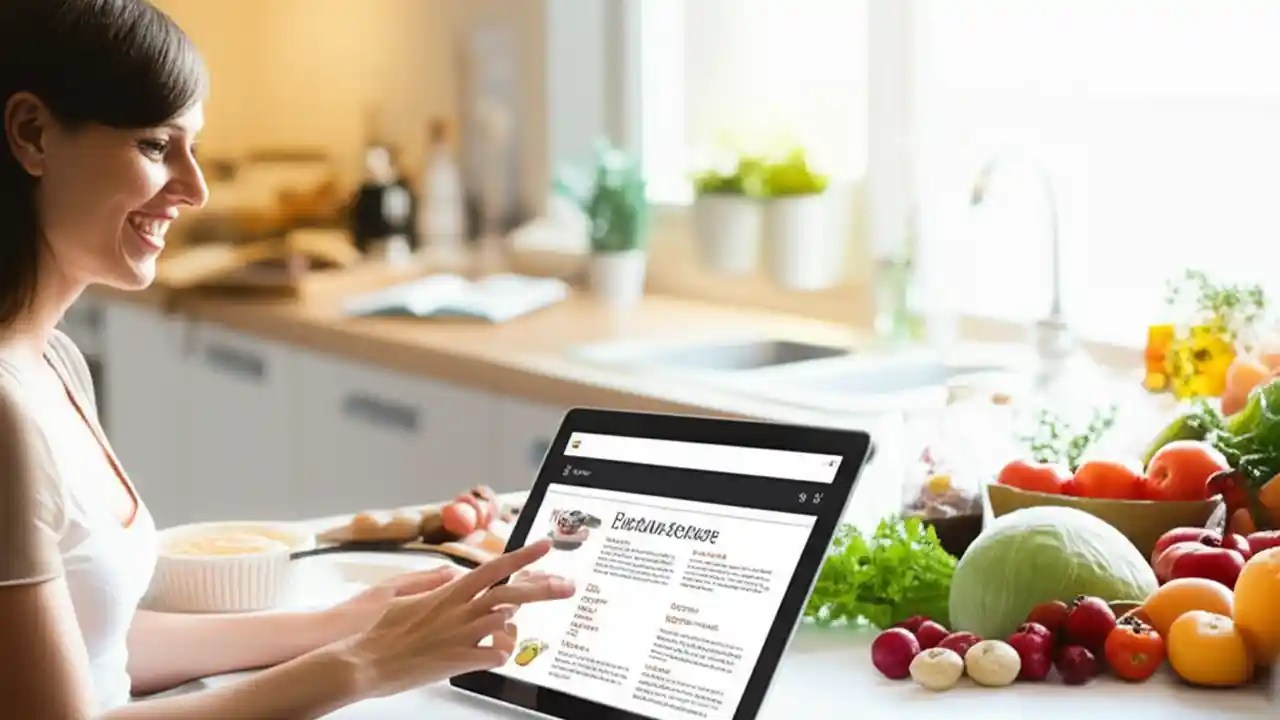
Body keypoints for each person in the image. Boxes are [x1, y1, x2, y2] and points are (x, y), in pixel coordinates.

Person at [0, 1, 575, 717]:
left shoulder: (53, 363)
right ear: (32, 134)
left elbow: (99, 644)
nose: (195, 187)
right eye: (155, 146)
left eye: (193, 147)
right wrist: (360, 667)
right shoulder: (5, 413)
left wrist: (347, 621)